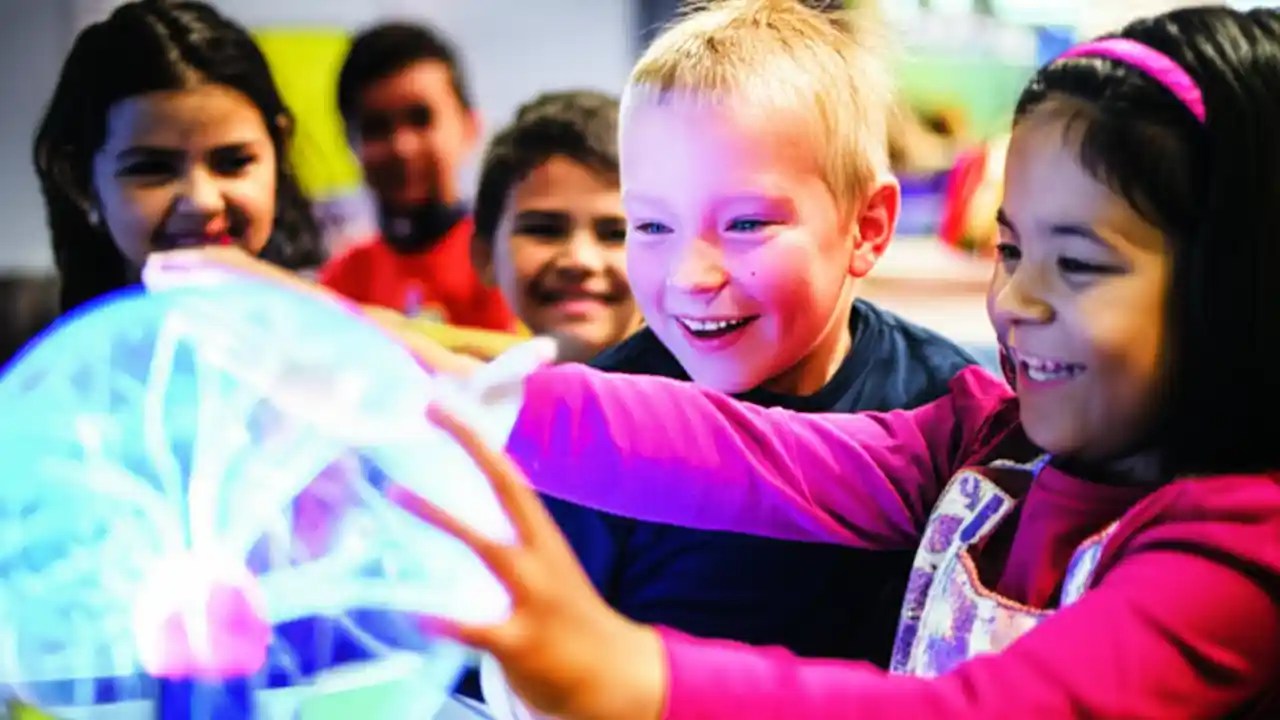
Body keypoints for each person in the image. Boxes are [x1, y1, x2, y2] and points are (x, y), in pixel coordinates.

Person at [395, 5, 1280, 718]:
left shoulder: (1242, 551)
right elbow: (746, 454)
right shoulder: (985, 438)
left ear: (1239, 282)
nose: (1016, 302)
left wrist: (630, 675)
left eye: (1078, 264)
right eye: (1010, 252)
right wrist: (439, 390)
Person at [543, 0, 974, 667]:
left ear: (867, 227)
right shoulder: (596, 430)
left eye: (746, 224)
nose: (690, 275)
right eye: (652, 226)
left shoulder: (944, 408)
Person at [32, 0, 324, 314]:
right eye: (153, 168)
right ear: (80, 182)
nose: (202, 202)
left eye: (233, 163)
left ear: (278, 151)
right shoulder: (60, 355)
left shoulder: (332, 333)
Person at [320, 22, 516, 331]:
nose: (402, 147)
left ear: (470, 127)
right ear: (350, 143)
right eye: (376, 127)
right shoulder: (338, 284)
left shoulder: (509, 262)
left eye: (421, 118)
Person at [472, 90, 641, 363]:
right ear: (485, 256)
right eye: (544, 230)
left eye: (616, 234)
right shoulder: (480, 392)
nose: (579, 260)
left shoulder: (705, 398)